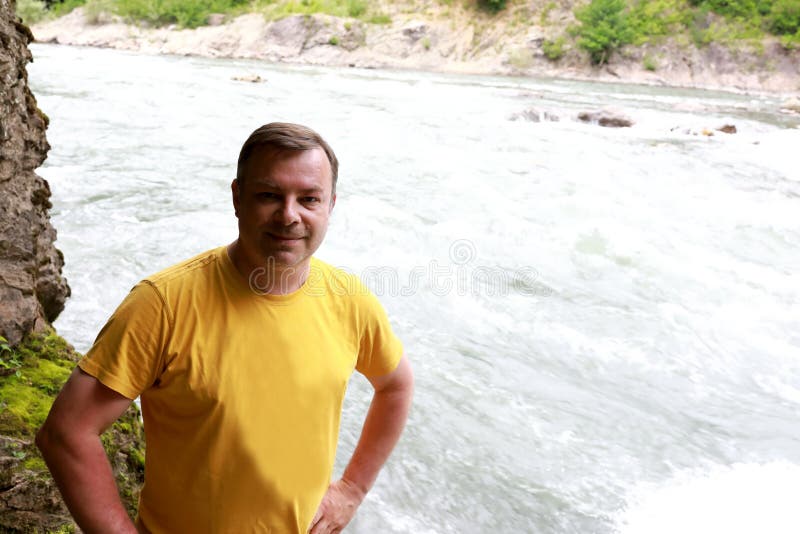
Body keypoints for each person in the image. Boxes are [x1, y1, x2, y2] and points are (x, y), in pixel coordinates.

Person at [36, 122, 414, 534]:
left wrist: (352, 490)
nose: (289, 215)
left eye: (309, 199)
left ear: (330, 205)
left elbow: (395, 385)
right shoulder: (163, 303)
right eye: (269, 195)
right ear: (237, 197)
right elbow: (67, 433)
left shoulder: (350, 301)